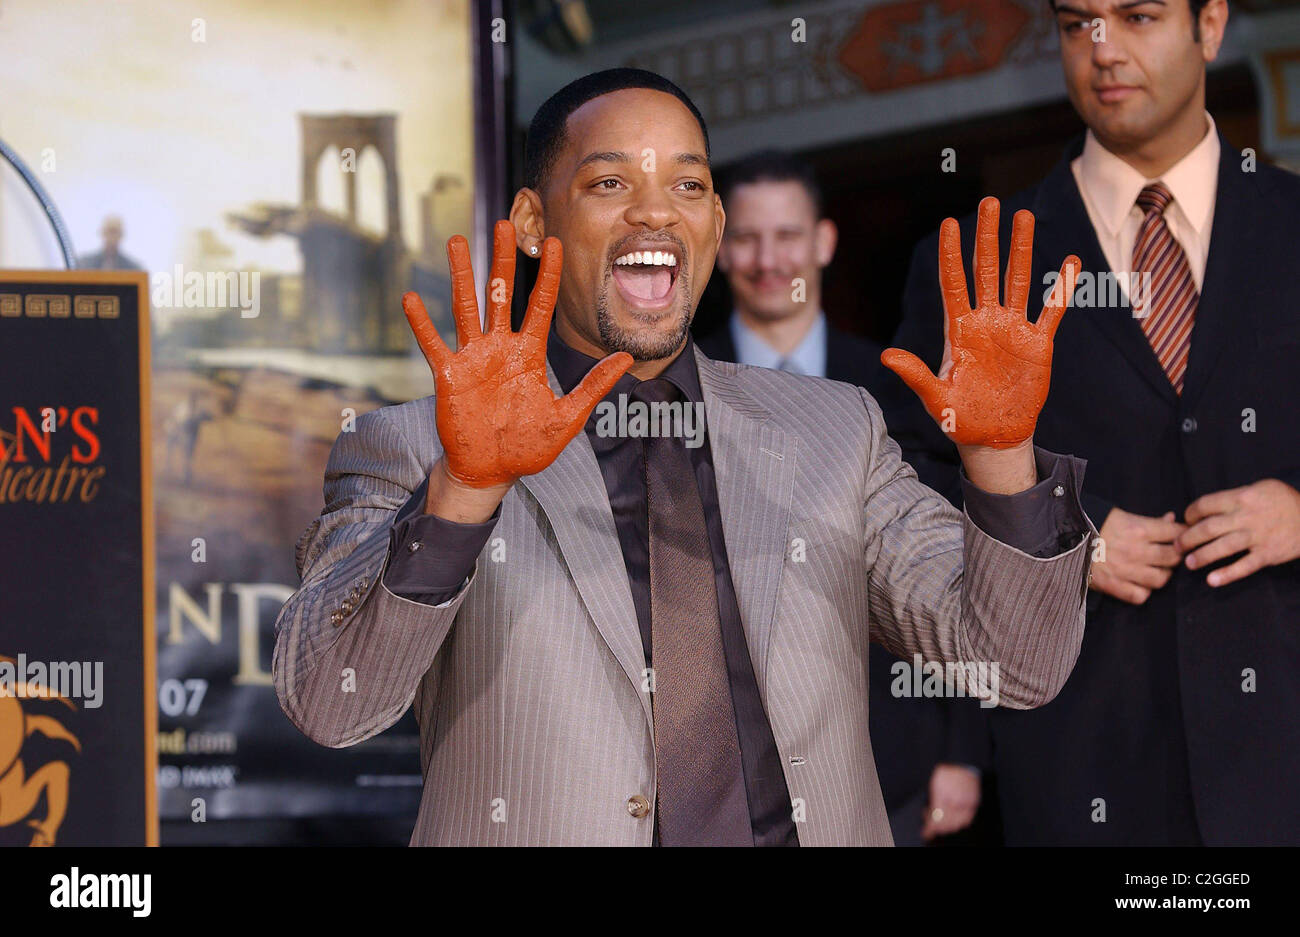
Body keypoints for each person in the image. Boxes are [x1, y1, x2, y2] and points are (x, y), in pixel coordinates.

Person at [273, 67, 1095, 846]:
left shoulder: (835, 430)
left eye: (688, 185)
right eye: (610, 183)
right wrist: (463, 488)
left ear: (714, 226)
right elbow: (328, 704)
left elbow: (1013, 667)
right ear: (531, 222)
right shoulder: (414, 448)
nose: (656, 214)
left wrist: (998, 457)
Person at [877, 0, 1300, 845]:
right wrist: (1066, 541)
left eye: (1137, 16)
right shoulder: (979, 257)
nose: (1103, 50)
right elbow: (901, 473)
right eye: (1078, 24)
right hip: (1085, 757)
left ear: (1209, 25)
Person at [696, 149, 991, 845]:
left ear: (823, 242)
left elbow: (955, 558)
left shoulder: (894, 384)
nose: (770, 259)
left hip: (891, 756)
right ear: (717, 243)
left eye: (788, 236)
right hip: (721, 762)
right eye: (746, 236)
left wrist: (963, 749)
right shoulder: (674, 389)